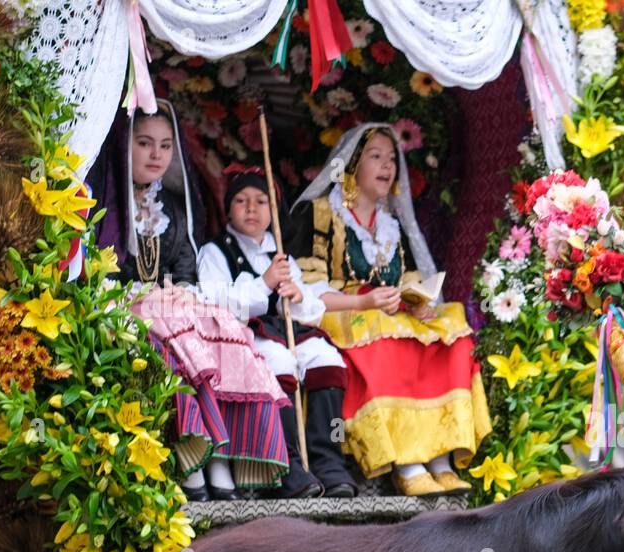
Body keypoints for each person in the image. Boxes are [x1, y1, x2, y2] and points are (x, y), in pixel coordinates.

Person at [90, 102, 289, 500]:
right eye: (144, 143)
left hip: (170, 303)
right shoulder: (104, 205)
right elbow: (102, 271)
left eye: (165, 146)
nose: (156, 155)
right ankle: (194, 459)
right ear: (123, 146)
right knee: (172, 346)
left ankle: (222, 457)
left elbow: (184, 266)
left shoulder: (175, 209)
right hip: (118, 305)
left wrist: (178, 289)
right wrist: (139, 294)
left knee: (223, 331)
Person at [288, 124, 490, 496]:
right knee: (383, 336)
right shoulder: (317, 215)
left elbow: (412, 278)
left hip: (389, 313)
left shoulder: (393, 225)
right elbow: (303, 292)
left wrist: (420, 302)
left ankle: (440, 459)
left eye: (391, 159)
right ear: (350, 164)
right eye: (375, 156)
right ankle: (407, 462)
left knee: (453, 332)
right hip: (341, 313)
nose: (386, 166)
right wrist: (364, 301)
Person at [197, 165, 357, 498]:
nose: (251, 208)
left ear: (273, 210)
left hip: (287, 331)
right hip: (244, 337)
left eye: (261, 201)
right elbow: (215, 303)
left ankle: (328, 458)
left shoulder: (279, 252)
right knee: (281, 364)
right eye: (241, 201)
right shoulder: (215, 251)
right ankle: (285, 466)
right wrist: (264, 283)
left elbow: (307, 305)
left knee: (329, 361)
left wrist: (297, 297)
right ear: (228, 208)